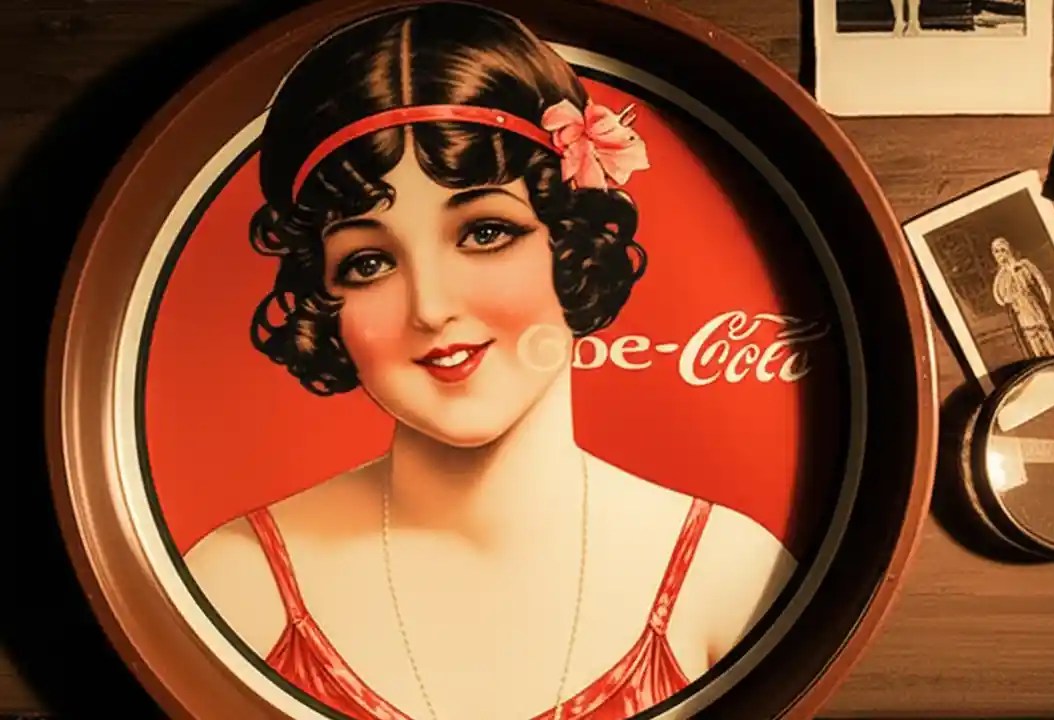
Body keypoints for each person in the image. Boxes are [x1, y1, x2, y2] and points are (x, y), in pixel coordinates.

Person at [182, 4, 797, 720]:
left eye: (484, 232)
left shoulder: (728, 577)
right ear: (324, 299)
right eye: (370, 261)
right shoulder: (237, 586)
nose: (431, 306)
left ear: (570, 241)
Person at [989, 237, 1054, 358]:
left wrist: (1045, 306)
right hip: (1023, 318)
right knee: (1036, 350)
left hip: (1037, 313)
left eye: (1002, 250)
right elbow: (999, 296)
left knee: (1051, 345)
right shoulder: (1002, 277)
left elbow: (1042, 284)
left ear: (1009, 250)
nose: (1000, 255)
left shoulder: (1025, 266)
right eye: (996, 252)